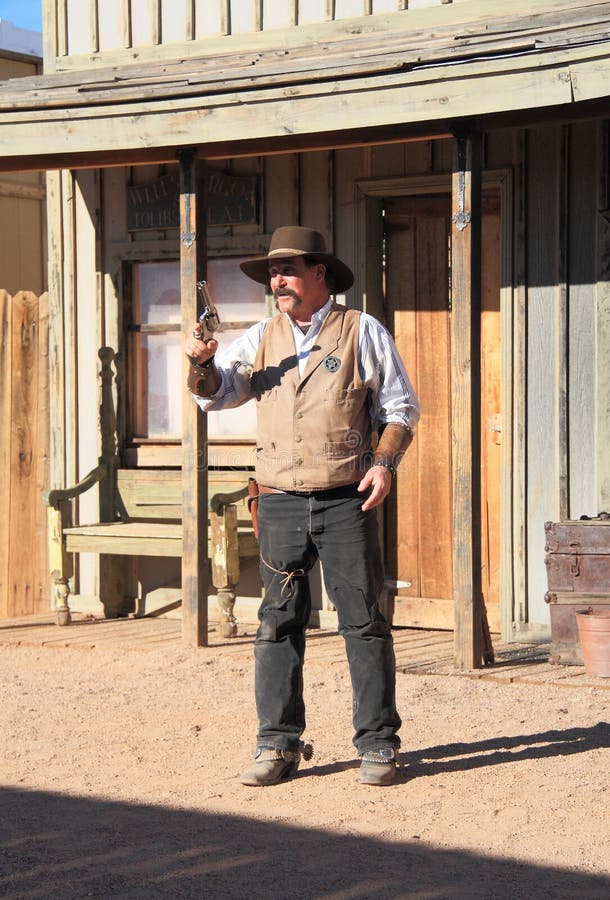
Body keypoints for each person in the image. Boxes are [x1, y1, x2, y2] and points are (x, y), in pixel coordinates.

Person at [185, 226, 419, 787]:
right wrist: (202, 363)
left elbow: (401, 410)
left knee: (364, 624)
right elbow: (217, 395)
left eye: (289, 269)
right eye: (273, 272)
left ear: (321, 275)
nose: (278, 280)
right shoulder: (260, 337)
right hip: (279, 500)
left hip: (345, 499)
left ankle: (379, 746)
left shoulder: (361, 330)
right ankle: (277, 745)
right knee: (277, 625)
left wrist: (383, 465)